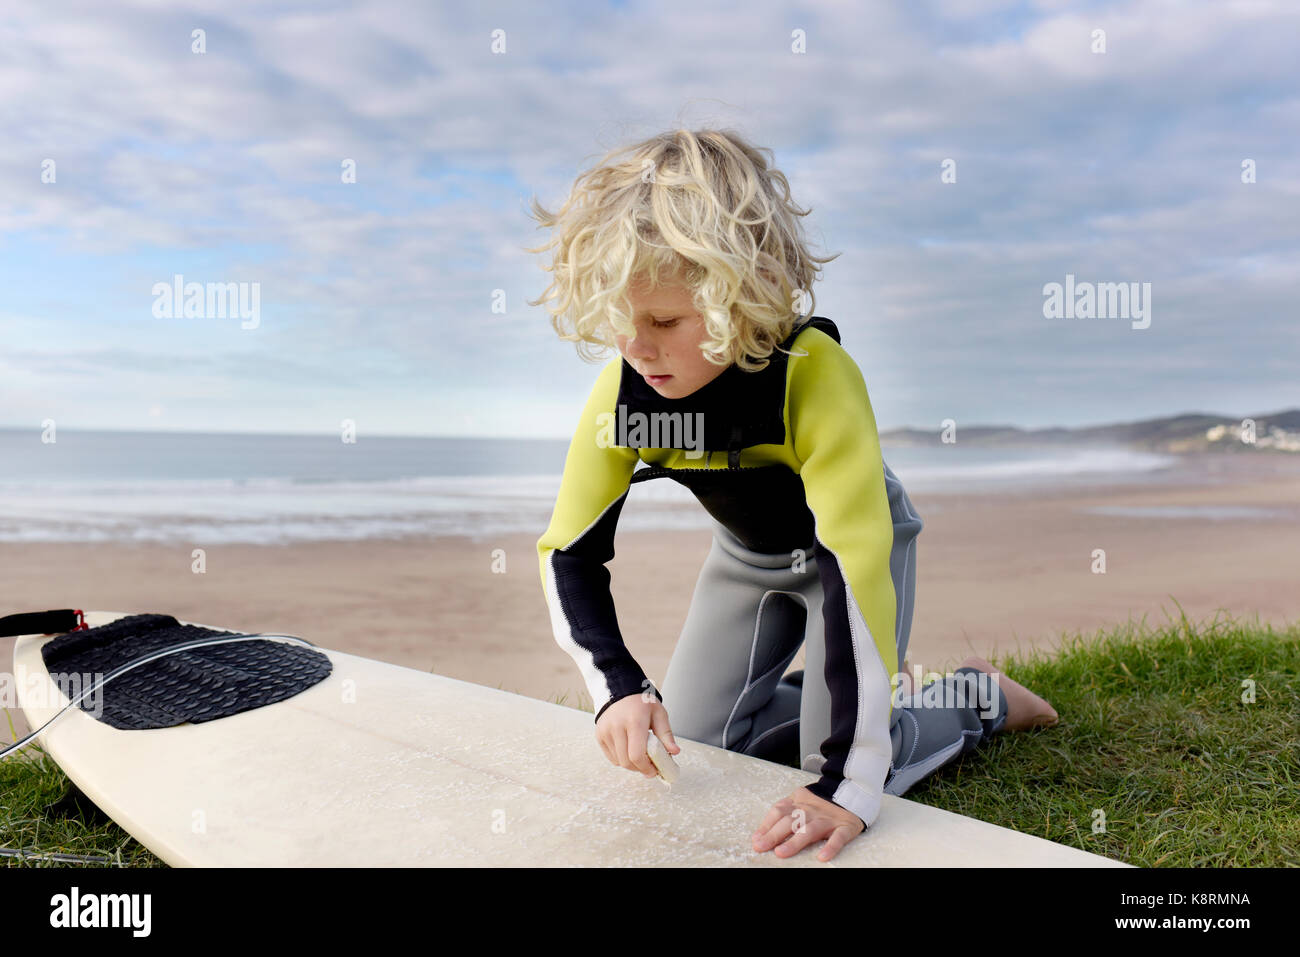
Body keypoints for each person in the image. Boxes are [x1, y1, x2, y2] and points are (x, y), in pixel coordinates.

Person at [529, 128, 1058, 863]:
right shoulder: (626, 394)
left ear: (741, 298)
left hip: (856, 551)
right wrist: (617, 687)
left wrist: (845, 786)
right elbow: (568, 552)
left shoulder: (813, 372)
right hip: (747, 561)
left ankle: (974, 698)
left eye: (665, 322)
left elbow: (854, 563)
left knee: (840, 764)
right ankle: (836, 688)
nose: (637, 349)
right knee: (705, 748)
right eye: (621, 322)